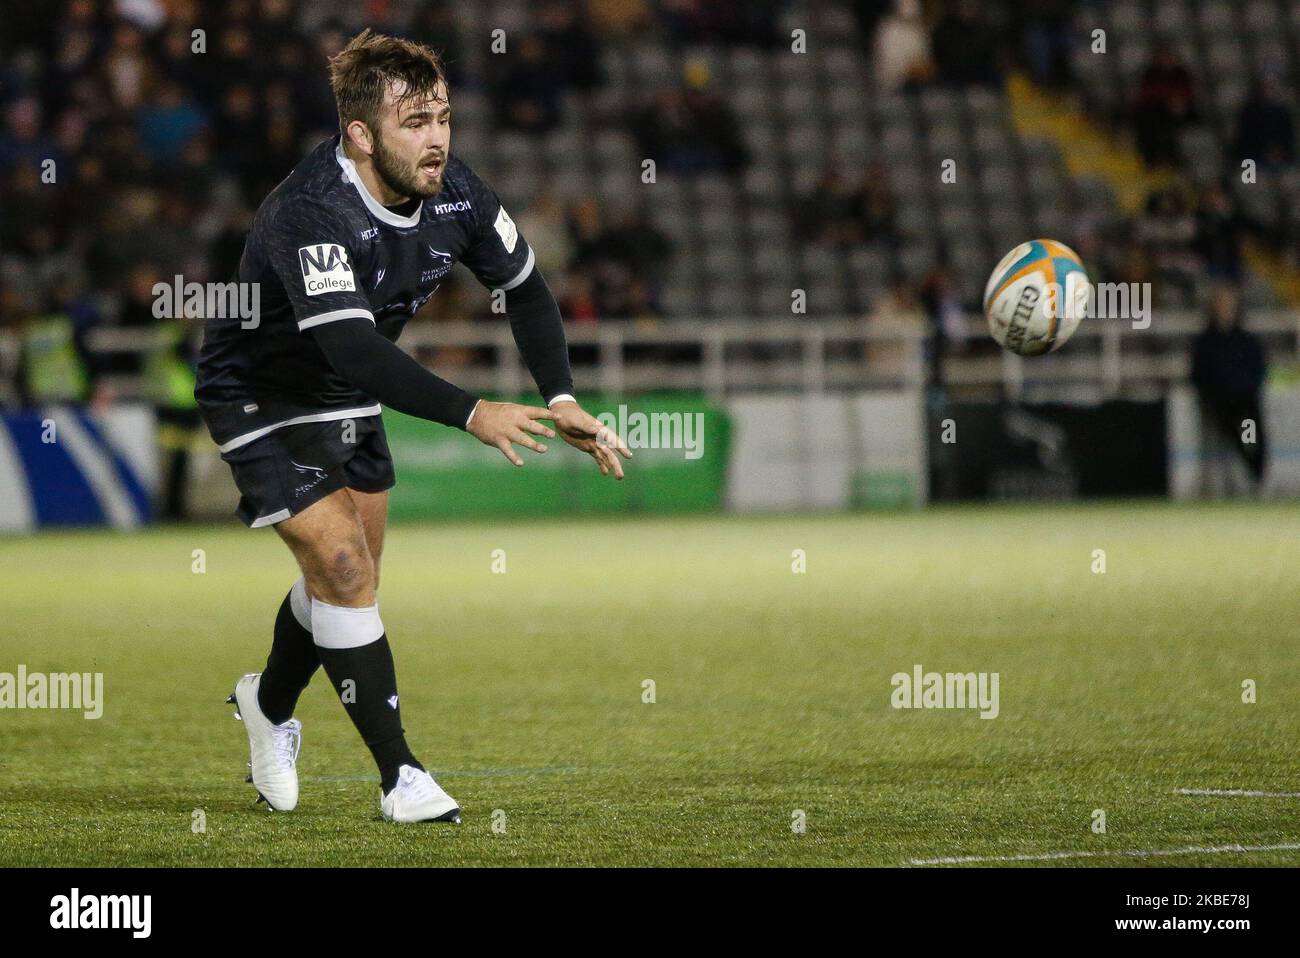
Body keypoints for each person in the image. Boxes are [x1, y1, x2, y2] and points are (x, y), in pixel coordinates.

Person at [194, 31, 631, 823]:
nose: (436, 141)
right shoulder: (309, 209)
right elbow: (355, 347)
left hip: (348, 393)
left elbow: (527, 291)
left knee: (346, 579)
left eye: (443, 119)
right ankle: (402, 777)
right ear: (360, 135)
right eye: (415, 123)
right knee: (343, 567)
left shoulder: (456, 191)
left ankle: (268, 701)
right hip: (260, 392)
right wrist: (473, 412)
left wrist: (561, 398)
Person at [1190, 285, 1267, 492]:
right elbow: (1198, 376)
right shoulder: (1206, 341)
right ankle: (1230, 485)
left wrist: (1246, 391)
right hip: (1218, 407)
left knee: (1251, 439)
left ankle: (1255, 481)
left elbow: (1258, 371)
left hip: (1245, 406)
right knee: (1231, 437)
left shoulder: (1246, 341)